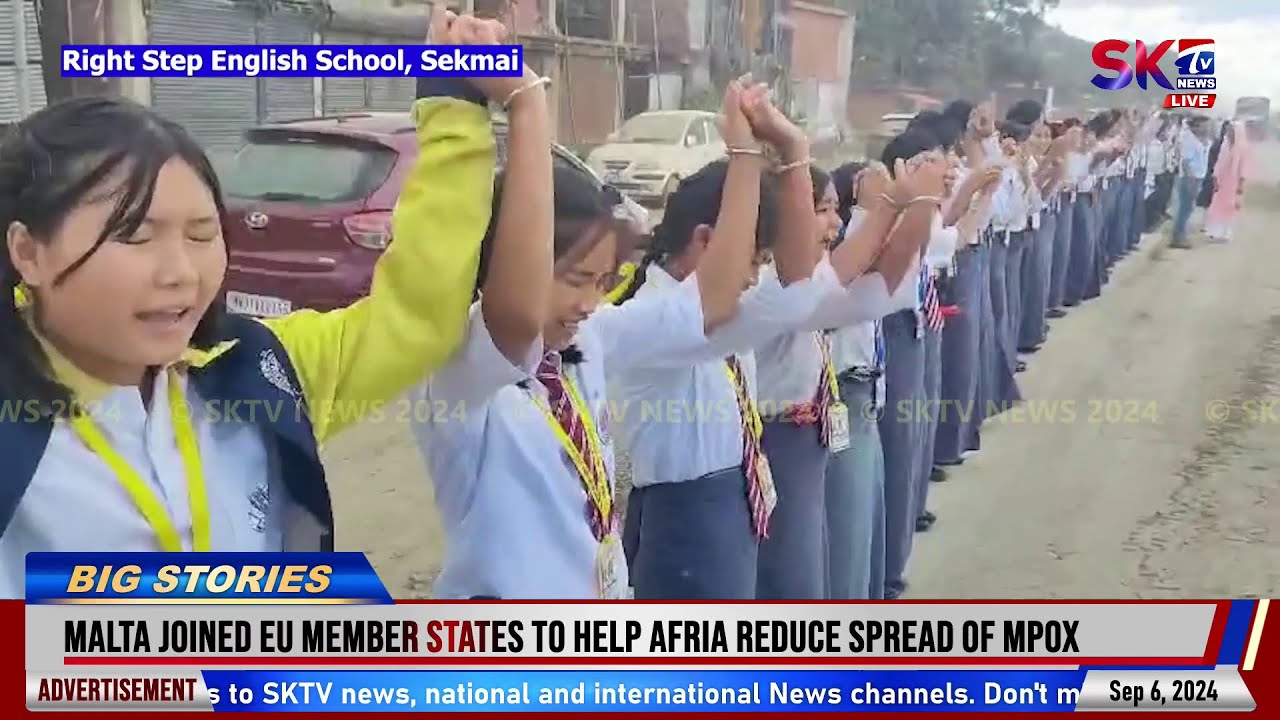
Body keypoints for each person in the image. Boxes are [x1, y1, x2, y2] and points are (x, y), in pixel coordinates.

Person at [0, 8, 504, 597]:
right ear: (28, 252)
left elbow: (415, 315)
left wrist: (454, 109)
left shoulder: (256, 369)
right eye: (135, 237)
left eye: (201, 234)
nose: (180, 273)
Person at [416, 78, 793, 600]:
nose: (589, 302)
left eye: (601, 282)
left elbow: (712, 299)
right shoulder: (463, 369)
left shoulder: (587, 342)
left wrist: (745, 157)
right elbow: (516, 317)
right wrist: (528, 106)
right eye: (574, 279)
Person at [1203, 120, 1249, 242]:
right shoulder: (1225, 144)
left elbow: (1243, 168)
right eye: (1228, 130)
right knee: (1216, 207)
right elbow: (1219, 162)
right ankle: (1213, 232)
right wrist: (1215, 177)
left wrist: (1240, 184)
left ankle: (1225, 233)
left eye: (1232, 130)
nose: (1229, 133)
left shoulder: (1242, 147)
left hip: (1233, 183)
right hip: (1222, 181)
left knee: (1229, 208)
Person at [1170, 116, 1210, 250]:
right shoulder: (1189, 140)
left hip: (1197, 177)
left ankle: (1181, 235)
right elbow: (1185, 162)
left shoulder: (1200, 139)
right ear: (1196, 126)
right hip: (1189, 178)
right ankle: (1178, 237)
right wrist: (1191, 180)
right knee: (1185, 209)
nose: (1207, 128)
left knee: (1188, 208)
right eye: (1204, 125)